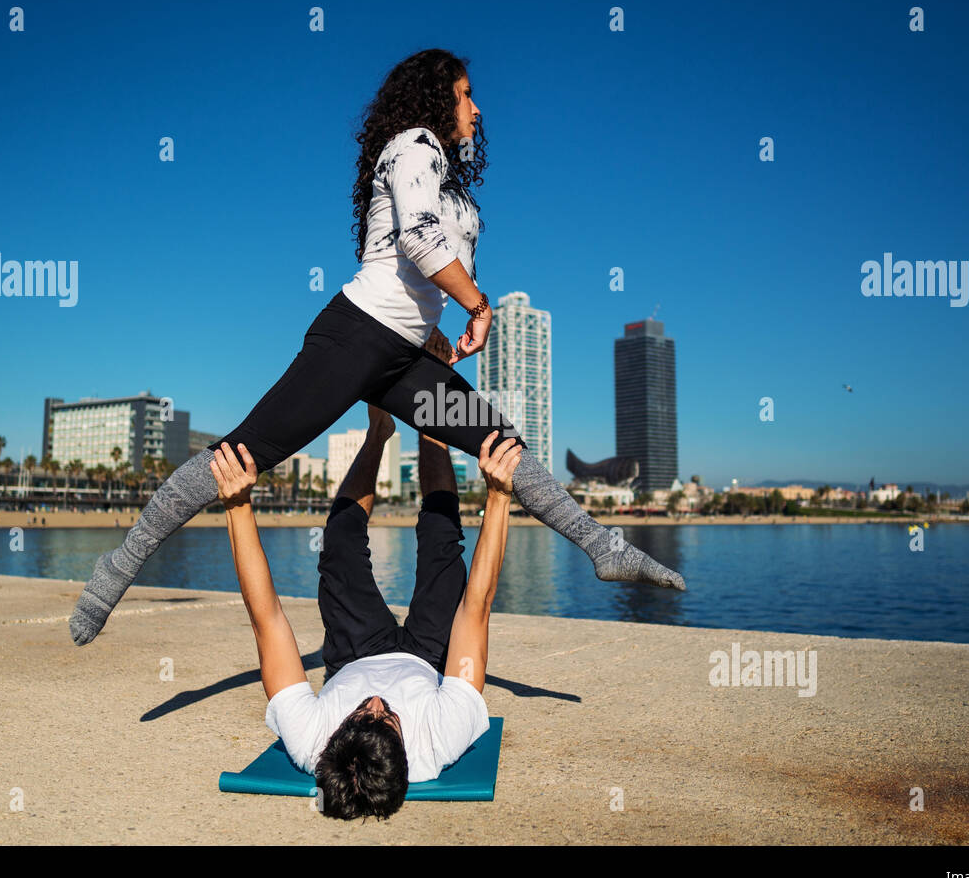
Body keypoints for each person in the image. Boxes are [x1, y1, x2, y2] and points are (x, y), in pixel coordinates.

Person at [69, 48, 683, 647]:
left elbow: (418, 264)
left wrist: (434, 325)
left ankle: (604, 547)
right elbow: (416, 240)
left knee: (500, 443)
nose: (476, 108)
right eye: (465, 94)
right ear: (435, 98)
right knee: (243, 454)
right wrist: (476, 304)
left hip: (403, 355)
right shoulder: (414, 144)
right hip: (355, 335)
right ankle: (117, 569)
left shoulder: (446, 178)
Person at [210, 403, 519, 820]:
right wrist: (499, 496)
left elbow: (267, 620)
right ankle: (431, 426)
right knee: (440, 541)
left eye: (360, 715)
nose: (375, 701)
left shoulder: (308, 739)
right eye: (387, 718)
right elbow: (475, 608)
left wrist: (237, 506)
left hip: (354, 654)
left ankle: (378, 431)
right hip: (429, 657)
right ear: (408, 755)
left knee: (336, 543)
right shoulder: (442, 736)